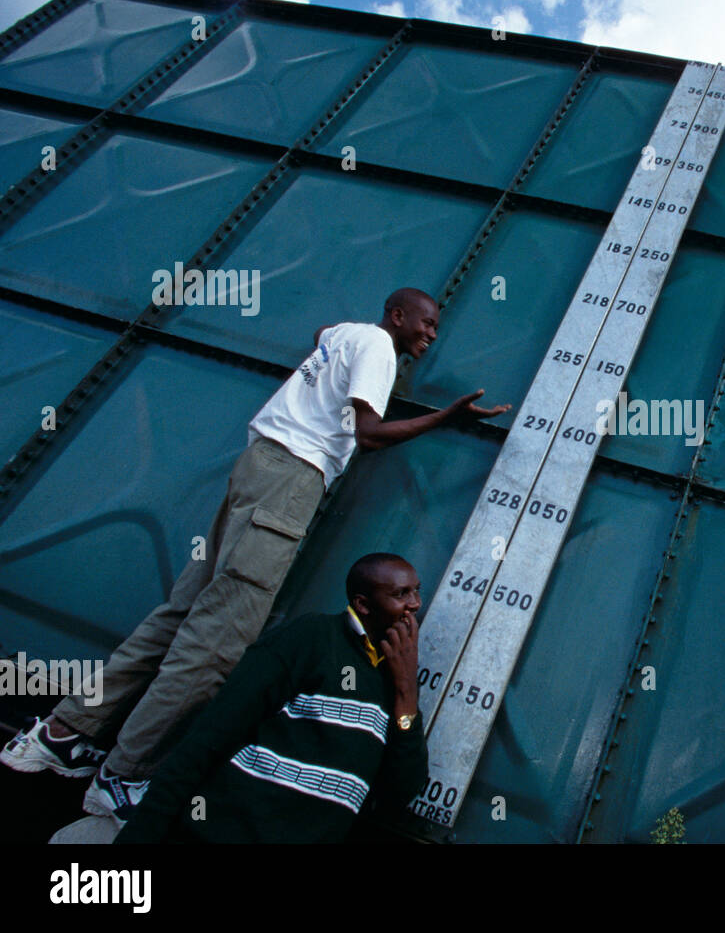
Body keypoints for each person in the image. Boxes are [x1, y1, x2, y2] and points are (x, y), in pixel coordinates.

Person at [2, 287, 508, 826]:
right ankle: (123, 776)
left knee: (177, 617)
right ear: (397, 316)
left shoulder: (347, 335)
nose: (431, 334)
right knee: (218, 639)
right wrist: (446, 418)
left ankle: (62, 734)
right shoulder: (381, 349)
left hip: (256, 467)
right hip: (290, 480)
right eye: (425, 324)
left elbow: (320, 335)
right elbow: (369, 434)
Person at [114, 552, 428, 843]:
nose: (414, 604)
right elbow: (208, 738)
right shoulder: (311, 637)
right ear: (363, 604)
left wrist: (406, 691)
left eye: (416, 591)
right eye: (401, 594)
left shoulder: (397, 676)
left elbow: (401, 790)